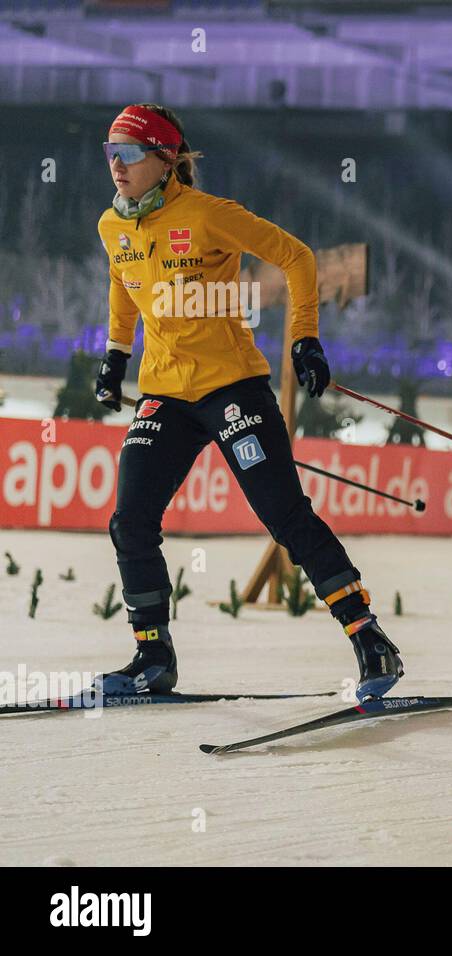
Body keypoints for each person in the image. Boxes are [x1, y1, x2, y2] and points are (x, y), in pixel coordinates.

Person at [93, 103, 403, 700]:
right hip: (164, 392)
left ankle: (368, 636)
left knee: (285, 516)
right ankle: (152, 656)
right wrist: (115, 355)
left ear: (165, 159)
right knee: (130, 521)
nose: (116, 166)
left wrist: (305, 337)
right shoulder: (114, 225)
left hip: (231, 387)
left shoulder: (209, 215)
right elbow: (122, 283)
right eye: (110, 153)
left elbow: (297, 256)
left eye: (128, 153)